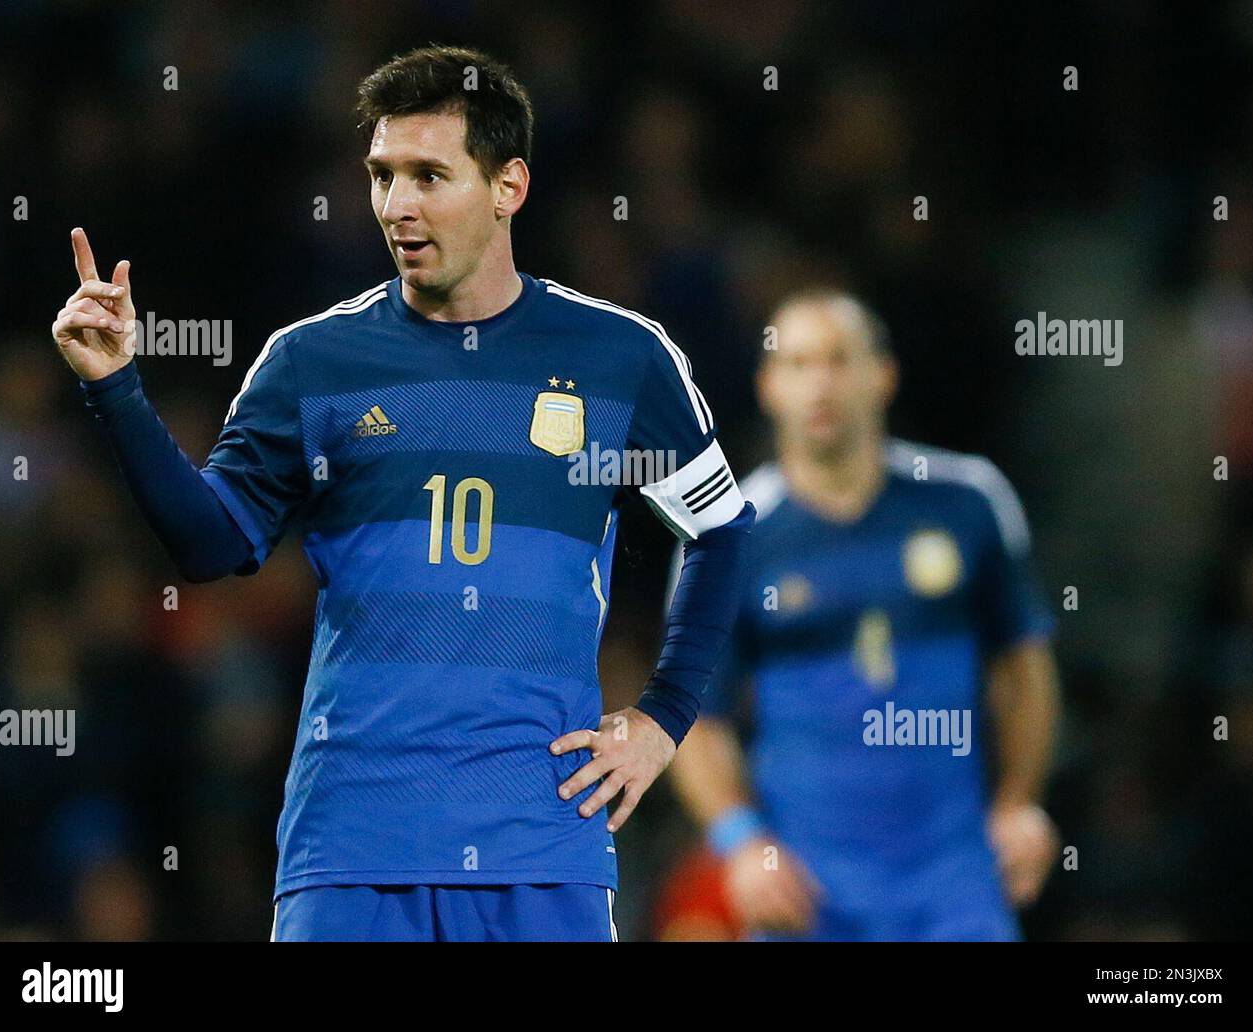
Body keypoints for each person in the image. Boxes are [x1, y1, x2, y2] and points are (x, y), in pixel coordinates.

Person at [50, 46, 753, 942]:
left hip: (538, 843)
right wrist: (117, 390)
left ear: (509, 187)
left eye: (429, 175)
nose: (396, 205)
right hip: (352, 846)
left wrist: (664, 718)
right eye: (383, 176)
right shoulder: (312, 362)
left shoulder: (623, 358)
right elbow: (212, 544)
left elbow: (724, 530)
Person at [669, 290, 1059, 940]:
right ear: (768, 387)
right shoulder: (726, 534)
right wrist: (741, 842)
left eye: (839, 360)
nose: (819, 383)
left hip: (956, 888)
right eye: (797, 364)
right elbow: (691, 717)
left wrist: (1020, 803)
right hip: (809, 899)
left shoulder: (968, 501)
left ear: (884, 375)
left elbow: (1024, 664)